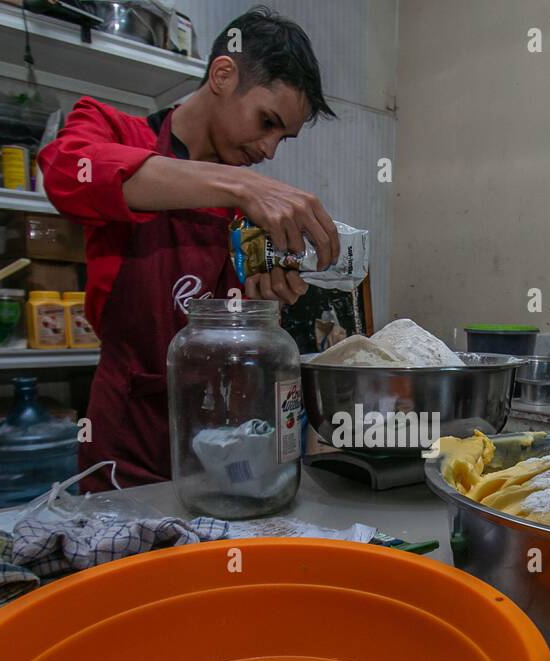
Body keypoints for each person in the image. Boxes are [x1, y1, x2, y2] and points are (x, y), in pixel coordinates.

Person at [39, 5, 339, 490]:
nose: (269, 150)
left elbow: (233, 332)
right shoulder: (117, 130)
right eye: (267, 121)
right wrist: (236, 187)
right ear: (223, 73)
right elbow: (65, 171)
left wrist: (262, 304)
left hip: (220, 438)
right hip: (129, 434)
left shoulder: (243, 210)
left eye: (283, 137)